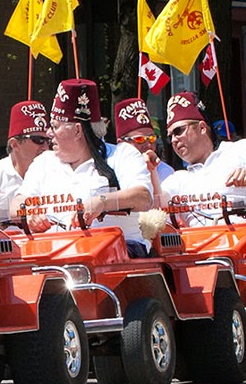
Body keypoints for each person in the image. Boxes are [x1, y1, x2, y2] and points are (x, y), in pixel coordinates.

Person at [16, 79, 154, 257]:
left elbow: (143, 198)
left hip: (118, 254)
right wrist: (27, 212)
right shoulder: (44, 162)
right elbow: (16, 203)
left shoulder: (122, 155)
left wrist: (101, 202)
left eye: (55, 126)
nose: (49, 133)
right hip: (55, 253)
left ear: (77, 131)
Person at [159, 92, 246, 238]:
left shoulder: (244, 149)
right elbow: (152, 208)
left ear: (202, 128)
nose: (174, 140)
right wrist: (150, 169)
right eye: (170, 136)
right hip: (202, 251)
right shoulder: (177, 180)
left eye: (178, 131)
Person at [0, 100, 52, 224]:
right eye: (38, 140)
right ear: (15, 144)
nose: (46, 147)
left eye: (49, 141)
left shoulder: (57, 174)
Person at [113, 97, 172, 198]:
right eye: (140, 139)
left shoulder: (166, 172)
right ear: (121, 144)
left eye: (152, 138)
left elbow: (162, 208)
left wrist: (152, 171)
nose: (148, 145)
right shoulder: (110, 171)